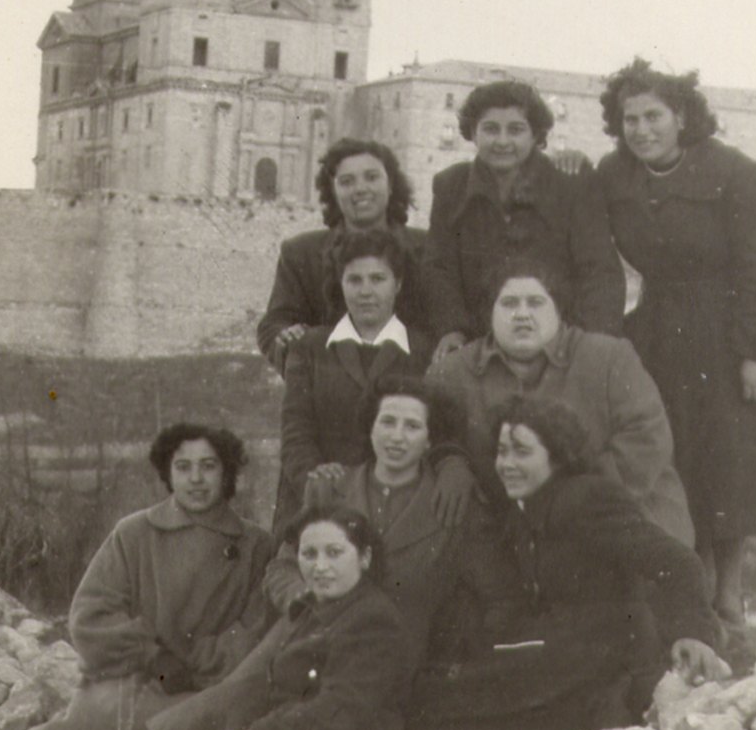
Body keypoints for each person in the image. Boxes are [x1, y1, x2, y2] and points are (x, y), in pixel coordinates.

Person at [0, 424, 276, 730]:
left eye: (208, 466)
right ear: (167, 471)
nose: (196, 478)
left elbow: (255, 628)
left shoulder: (256, 545)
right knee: (102, 713)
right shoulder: (134, 532)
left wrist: (199, 663)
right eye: (183, 466)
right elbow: (92, 613)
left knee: (203, 722)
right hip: (138, 675)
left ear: (227, 472)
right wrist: (152, 656)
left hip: (211, 683)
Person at [409, 395, 729, 730]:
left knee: (463, 705)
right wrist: (450, 461)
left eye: (522, 452)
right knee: (445, 691)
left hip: (609, 656)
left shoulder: (588, 498)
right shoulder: (525, 503)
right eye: (502, 452)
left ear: (557, 457)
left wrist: (693, 633)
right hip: (565, 650)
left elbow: (677, 561)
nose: (507, 464)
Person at [594, 58, 756, 627]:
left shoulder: (733, 172)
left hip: (730, 331)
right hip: (660, 332)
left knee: (730, 466)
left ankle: (730, 595)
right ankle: (695, 590)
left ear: (682, 116)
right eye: (630, 119)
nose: (642, 130)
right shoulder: (614, 175)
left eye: (654, 116)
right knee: (678, 460)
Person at [99, 506, 421, 730]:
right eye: (309, 554)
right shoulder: (319, 608)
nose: (320, 566)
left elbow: (334, 713)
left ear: (365, 558)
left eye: (334, 553)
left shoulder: (372, 621)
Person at [428, 257, 695, 548]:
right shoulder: (453, 372)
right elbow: (428, 430)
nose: (522, 314)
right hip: (513, 536)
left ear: (558, 310)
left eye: (536, 303)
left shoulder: (609, 358)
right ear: (488, 313)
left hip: (622, 519)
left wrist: (569, 499)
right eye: (509, 303)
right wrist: (449, 459)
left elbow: (647, 439)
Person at [271, 375, 468, 662]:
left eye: (412, 426)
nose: (397, 437)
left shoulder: (450, 500)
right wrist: (303, 596)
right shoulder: (331, 489)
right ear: (371, 428)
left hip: (397, 660)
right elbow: (282, 568)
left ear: (429, 440)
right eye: (387, 422)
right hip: (311, 644)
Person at [424, 80, 625, 359]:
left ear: (535, 135)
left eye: (516, 130)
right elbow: (439, 268)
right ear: (472, 133)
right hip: (478, 345)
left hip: (560, 346)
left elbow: (599, 272)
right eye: (490, 129)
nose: (502, 141)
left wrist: (591, 345)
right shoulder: (451, 186)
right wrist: (451, 329)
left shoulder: (571, 183)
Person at [275, 230, 436, 531]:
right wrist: (319, 481)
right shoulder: (309, 347)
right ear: (341, 283)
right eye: (354, 280)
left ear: (398, 284)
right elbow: (296, 431)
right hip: (320, 505)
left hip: (398, 509)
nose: (366, 291)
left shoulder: (424, 351)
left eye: (378, 279)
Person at [258, 138, 430, 375]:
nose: (360, 189)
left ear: (391, 184)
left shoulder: (428, 249)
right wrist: (290, 341)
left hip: (410, 385)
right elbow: (274, 325)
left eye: (372, 177)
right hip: (328, 384)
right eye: (347, 181)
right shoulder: (300, 253)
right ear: (332, 190)